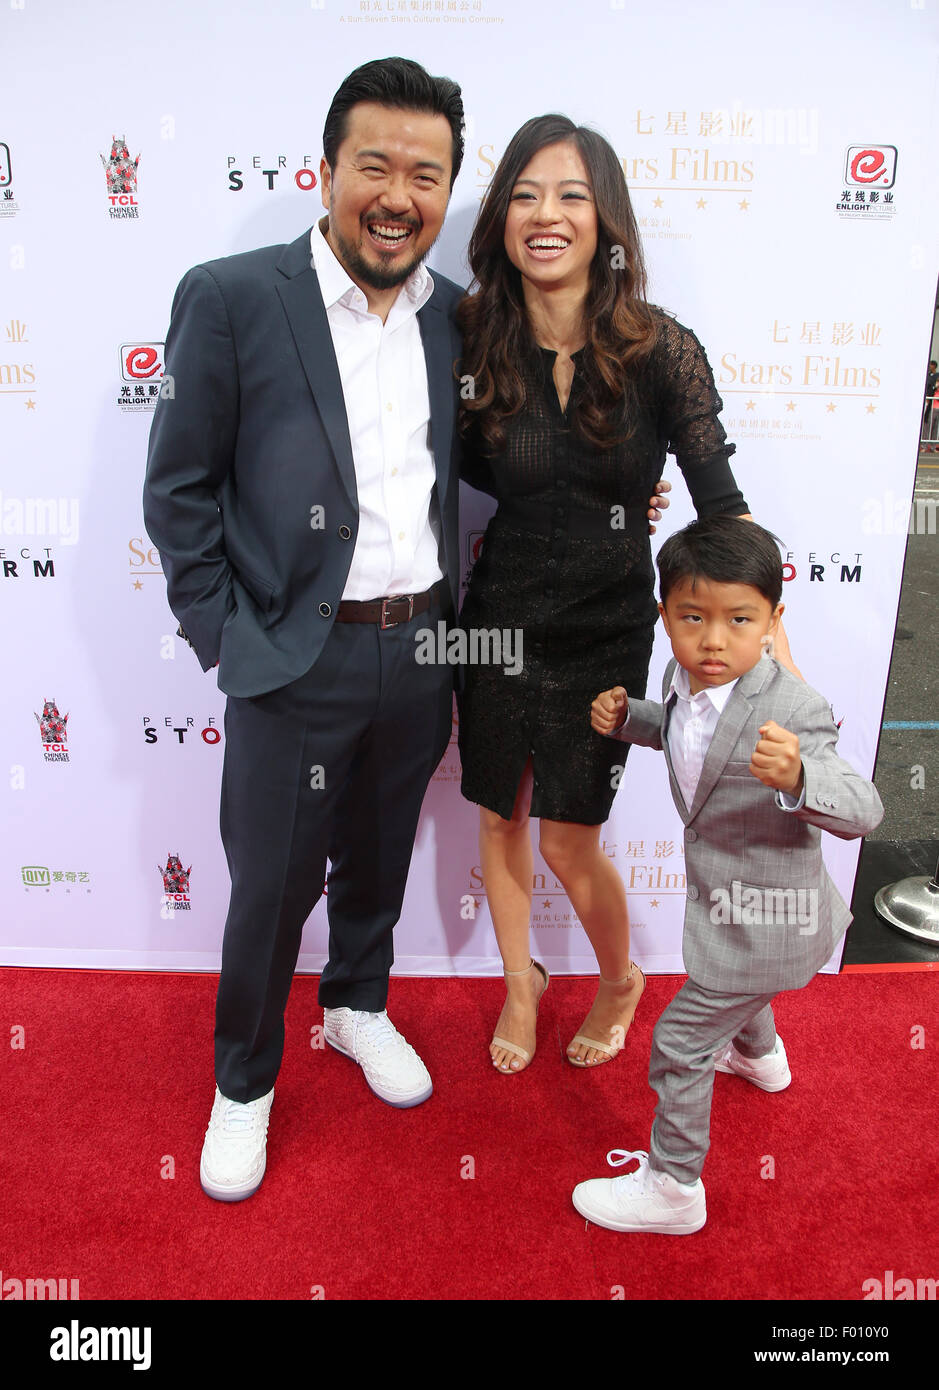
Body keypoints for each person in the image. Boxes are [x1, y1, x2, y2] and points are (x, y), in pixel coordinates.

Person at [143, 57, 470, 1202]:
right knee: (273, 884)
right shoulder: (234, 297)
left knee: (379, 857)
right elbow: (178, 488)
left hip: (424, 647)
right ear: (325, 170)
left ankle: (357, 1006)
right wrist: (224, 636)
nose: (397, 194)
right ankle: (244, 1082)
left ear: (446, 191)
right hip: (292, 654)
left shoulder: (456, 322)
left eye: (424, 174)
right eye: (373, 164)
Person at [456, 114, 798, 1075]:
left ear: (605, 221)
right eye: (523, 195)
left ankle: (617, 979)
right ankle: (520, 983)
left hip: (605, 626)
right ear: (500, 218)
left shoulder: (657, 348)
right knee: (495, 812)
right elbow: (442, 463)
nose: (544, 215)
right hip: (496, 621)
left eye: (569, 195)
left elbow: (722, 508)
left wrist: (767, 634)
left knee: (569, 835)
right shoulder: (472, 335)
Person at [573, 515, 883, 1233]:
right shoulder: (679, 674)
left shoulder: (793, 709)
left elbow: (864, 810)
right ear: (666, 616)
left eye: (738, 620)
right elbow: (689, 737)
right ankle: (760, 1056)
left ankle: (674, 1192)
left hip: (767, 922)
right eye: (692, 618)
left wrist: (801, 776)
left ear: (773, 619)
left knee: (680, 1043)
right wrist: (631, 720)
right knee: (733, 987)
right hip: (728, 909)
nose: (713, 641)